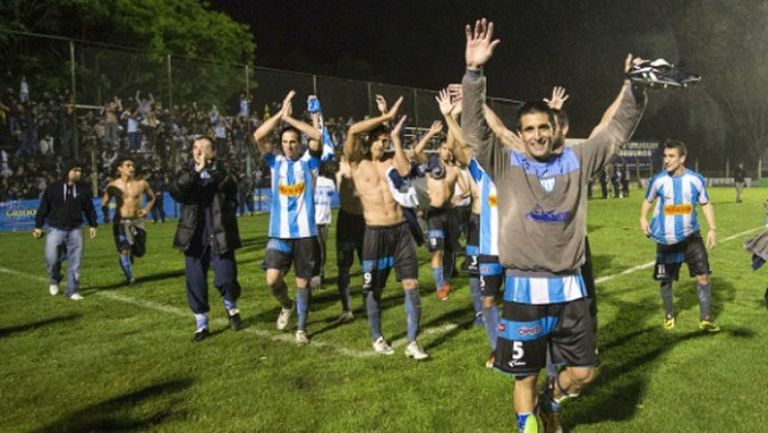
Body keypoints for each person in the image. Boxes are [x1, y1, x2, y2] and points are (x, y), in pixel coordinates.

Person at [461, 18, 646, 433]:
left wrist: (634, 87)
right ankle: (530, 420)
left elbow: (616, 131)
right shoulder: (506, 165)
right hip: (525, 290)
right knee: (523, 376)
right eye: (529, 129)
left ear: (554, 127)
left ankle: (553, 397)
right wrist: (474, 73)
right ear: (521, 135)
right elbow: (474, 130)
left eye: (543, 127)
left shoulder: (577, 160)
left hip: (570, 288)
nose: (537, 135)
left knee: (584, 373)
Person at [345, 94, 428, 360]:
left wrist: (394, 136)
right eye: (379, 140)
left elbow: (405, 172)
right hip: (375, 233)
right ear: (369, 141)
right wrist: (386, 116)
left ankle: (413, 341)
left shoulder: (392, 159)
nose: (382, 144)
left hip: (401, 230)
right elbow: (352, 130)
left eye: (384, 140)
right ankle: (377, 337)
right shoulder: (357, 161)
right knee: (374, 289)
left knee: (411, 285)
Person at [252, 90, 322, 346]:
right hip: (279, 232)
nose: (289, 146)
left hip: (304, 233)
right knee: (272, 280)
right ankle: (286, 305)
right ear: (280, 145)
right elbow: (258, 136)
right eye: (285, 142)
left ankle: (301, 329)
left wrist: (292, 121)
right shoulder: (275, 163)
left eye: (293, 142)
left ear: (298, 144)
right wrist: (281, 115)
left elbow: (316, 135)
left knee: (302, 282)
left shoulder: (309, 162)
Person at [640, 140, 720, 332]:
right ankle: (668, 314)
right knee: (665, 279)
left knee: (703, 276)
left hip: (692, 238)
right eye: (665, 156)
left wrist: (712, 228)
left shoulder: (695, 179)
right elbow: (648, 200)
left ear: (682, 158)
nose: (666, 160)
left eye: (671, 156)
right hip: (666, 240)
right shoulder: (659, 180)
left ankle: (705, 318)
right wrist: (642, 218)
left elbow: (706, 203)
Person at [169, 136, 243, 341]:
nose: (198, 151)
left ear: (214, 152)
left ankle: (231, 308)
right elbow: (176, 190)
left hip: (219, 233)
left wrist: (210, 171)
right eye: (195, 147)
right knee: (195, 281)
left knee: (226, 277)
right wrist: (196, 172)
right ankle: (201, 324)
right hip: (194, 237)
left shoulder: (222, 172)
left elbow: (231, 186)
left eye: (203, 147)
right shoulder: (187, 173)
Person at [412, 121, 467, 300]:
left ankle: (446, 279)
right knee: (438, 251)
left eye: (448, 148)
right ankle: (440, 286)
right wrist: (430, 133)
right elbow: (416, 151)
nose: (447, 151)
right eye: (444, 148)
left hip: (450, 213)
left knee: (451, 250)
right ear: (438, 151)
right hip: (434, 213)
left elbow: (466, 189)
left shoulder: (454, 171)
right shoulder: (430, 166)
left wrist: (458, 197)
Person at [33, 161, 98, 300]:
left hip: (75, 229)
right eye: (75, 170)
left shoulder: (83, 189)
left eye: (80, 170)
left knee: (75, 262)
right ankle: (55, 279)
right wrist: (38, 226)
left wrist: (93, 225)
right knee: (51, 259)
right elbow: (43, 208)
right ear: (67, 171)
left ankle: (72, 290)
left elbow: (89, 209)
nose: (79, 173)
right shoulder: (53, 188)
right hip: (55, 229)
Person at [102, 156, 155, 284]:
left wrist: (146, 210)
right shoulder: (113, 186)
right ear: (120, 168)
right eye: (128, 165)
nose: (131, 168)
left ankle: (129, 256)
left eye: (133, 165)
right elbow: (105, 202)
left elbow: (151, 198)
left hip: (137, 222)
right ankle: (130, 277)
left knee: (140, 251)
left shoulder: (141, 183)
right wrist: (106, 215)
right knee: (124, 249)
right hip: (120, 222)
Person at [334, 154, 364, 323]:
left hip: (363, 219)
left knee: (368, 265)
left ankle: (369, 302)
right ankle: (346, 309)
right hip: (346, 221)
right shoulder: (341, 170)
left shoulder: (364, 166)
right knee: (344, 267)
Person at [314, 161, 337, 284]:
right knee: (322, 250)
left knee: (315, 250)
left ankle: (317, 274)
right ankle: (319, 274)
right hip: (323, 220)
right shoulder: (330, 183)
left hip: (313, 220)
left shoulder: (311, 182)